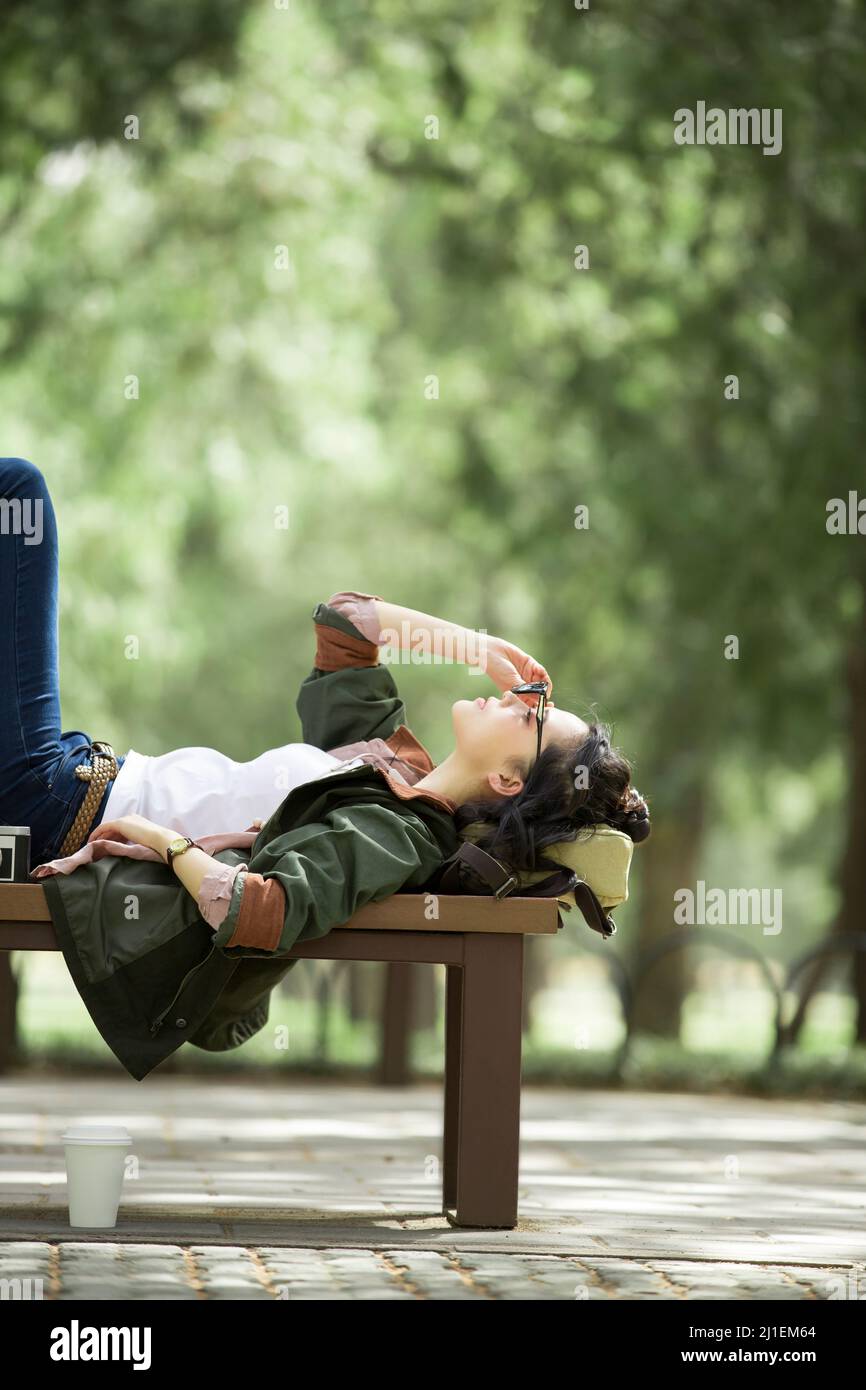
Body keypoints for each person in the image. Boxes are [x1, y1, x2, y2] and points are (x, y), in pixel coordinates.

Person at [2, 454, 648, 948]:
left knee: (17, 494)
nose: (514, 697)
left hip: (53, 801)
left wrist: (158, 839)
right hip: (65, 776)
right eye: (529, 694)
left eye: (529, 714)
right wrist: (471, 646)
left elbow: (260, 911)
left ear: (509, 779)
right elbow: (344, 624)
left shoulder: (397, 832)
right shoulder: (391, 766)